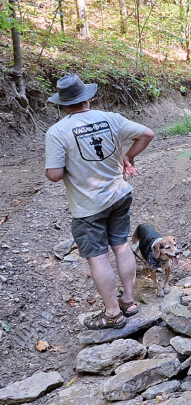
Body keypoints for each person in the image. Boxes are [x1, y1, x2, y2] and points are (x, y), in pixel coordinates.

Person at [44, 74, 155, 330]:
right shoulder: (111, 118)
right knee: (121, 245)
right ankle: (129, 301)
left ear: (62, 104)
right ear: (87, 98)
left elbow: (54, 175)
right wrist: (129, 156)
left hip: (88, 206)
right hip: (119, 194)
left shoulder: (58, 132)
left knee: (98, 256)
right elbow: (147, 134)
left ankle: (113, 314)